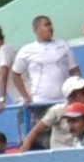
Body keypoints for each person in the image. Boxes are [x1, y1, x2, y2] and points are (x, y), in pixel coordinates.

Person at [10, 16, 79, 148]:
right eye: (46, 25)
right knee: (44, 139)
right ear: (36, 29)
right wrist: (25, 96)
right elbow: (15, 74)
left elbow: (74, 70)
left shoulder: (63, 45)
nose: (50, 28)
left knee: (67, 136)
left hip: (64, 102)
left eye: (51, 24)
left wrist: (76, 92)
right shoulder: (27, 50)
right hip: (41, 103)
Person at [23, 76, 84, 151]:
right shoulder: (57, 111)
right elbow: (35, 132)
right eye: (83, 94)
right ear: (71, 99)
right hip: (58, 158)